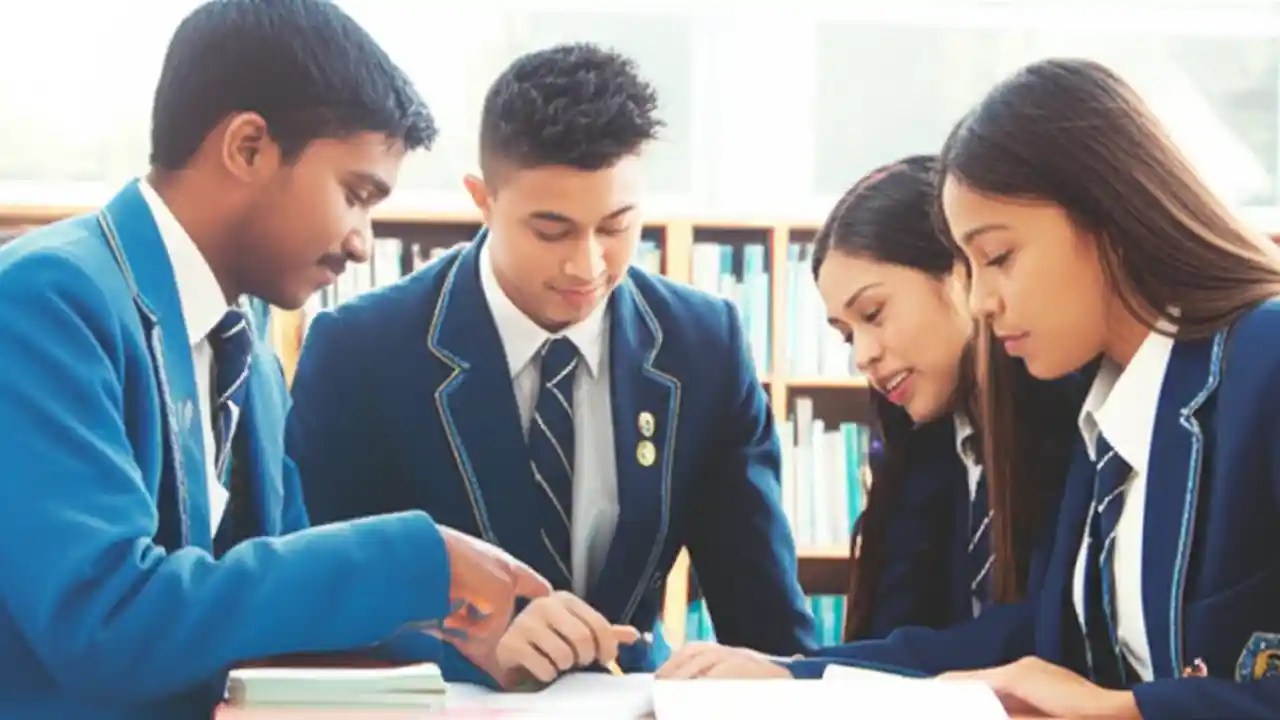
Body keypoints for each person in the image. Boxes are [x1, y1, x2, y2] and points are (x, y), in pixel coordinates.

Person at [674, 57, 1280, 719]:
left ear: (1107, 213)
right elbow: (1036, 645)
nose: (983, 303)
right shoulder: (1107, 427)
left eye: (998, 259)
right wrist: (805, 676)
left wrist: (1126, 709)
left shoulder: (1263, 363)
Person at [0, 2, 550, 718]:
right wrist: (415, 559)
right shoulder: (46, 300)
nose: (360, 242)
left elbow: (271, 610)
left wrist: (473, 644)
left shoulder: (247, 345)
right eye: (355, 196)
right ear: (248, 147)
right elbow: (105, 620)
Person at [286, 42, 815, 688]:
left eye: (617, 226)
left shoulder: (704, 347)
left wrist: (771, 679)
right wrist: (473, 646)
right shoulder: (361, 348)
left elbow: (768, 625)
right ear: (482, 198)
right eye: (551, 230)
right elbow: (315, 599)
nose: (587, 266)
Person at [655, 156, 1078, 679]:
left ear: (961, 272)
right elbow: (903, 636)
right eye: (848, 334)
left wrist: (801, 676)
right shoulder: (932, 451)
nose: (863, 357)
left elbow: (1034, 638)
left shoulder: (1075, 429)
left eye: (874, 314)